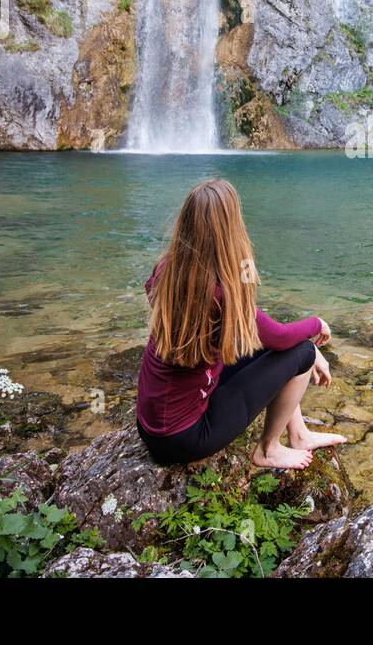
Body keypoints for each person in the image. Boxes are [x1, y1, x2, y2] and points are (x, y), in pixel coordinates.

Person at [135, 178, 346, 469]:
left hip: (149, 427)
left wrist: (299, 340)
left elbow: (262, 336)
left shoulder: (167, 270)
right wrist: (317, 324)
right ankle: (269, 450)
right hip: (186, 437)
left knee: (288, 350)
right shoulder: (221, 294)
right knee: (303, 353)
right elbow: (281, 337)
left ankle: (298, 433)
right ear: (230, 229)